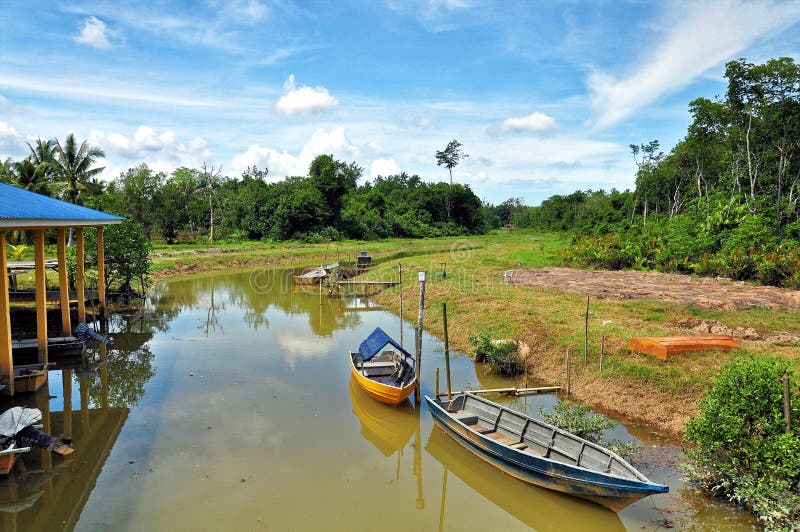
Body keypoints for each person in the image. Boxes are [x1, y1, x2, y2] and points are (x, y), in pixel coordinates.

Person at [0, 407, 73, 456]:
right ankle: (52, 444)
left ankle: (52, 444)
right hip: (5, 439)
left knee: (30, 431)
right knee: (30, 432)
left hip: (10, 432)